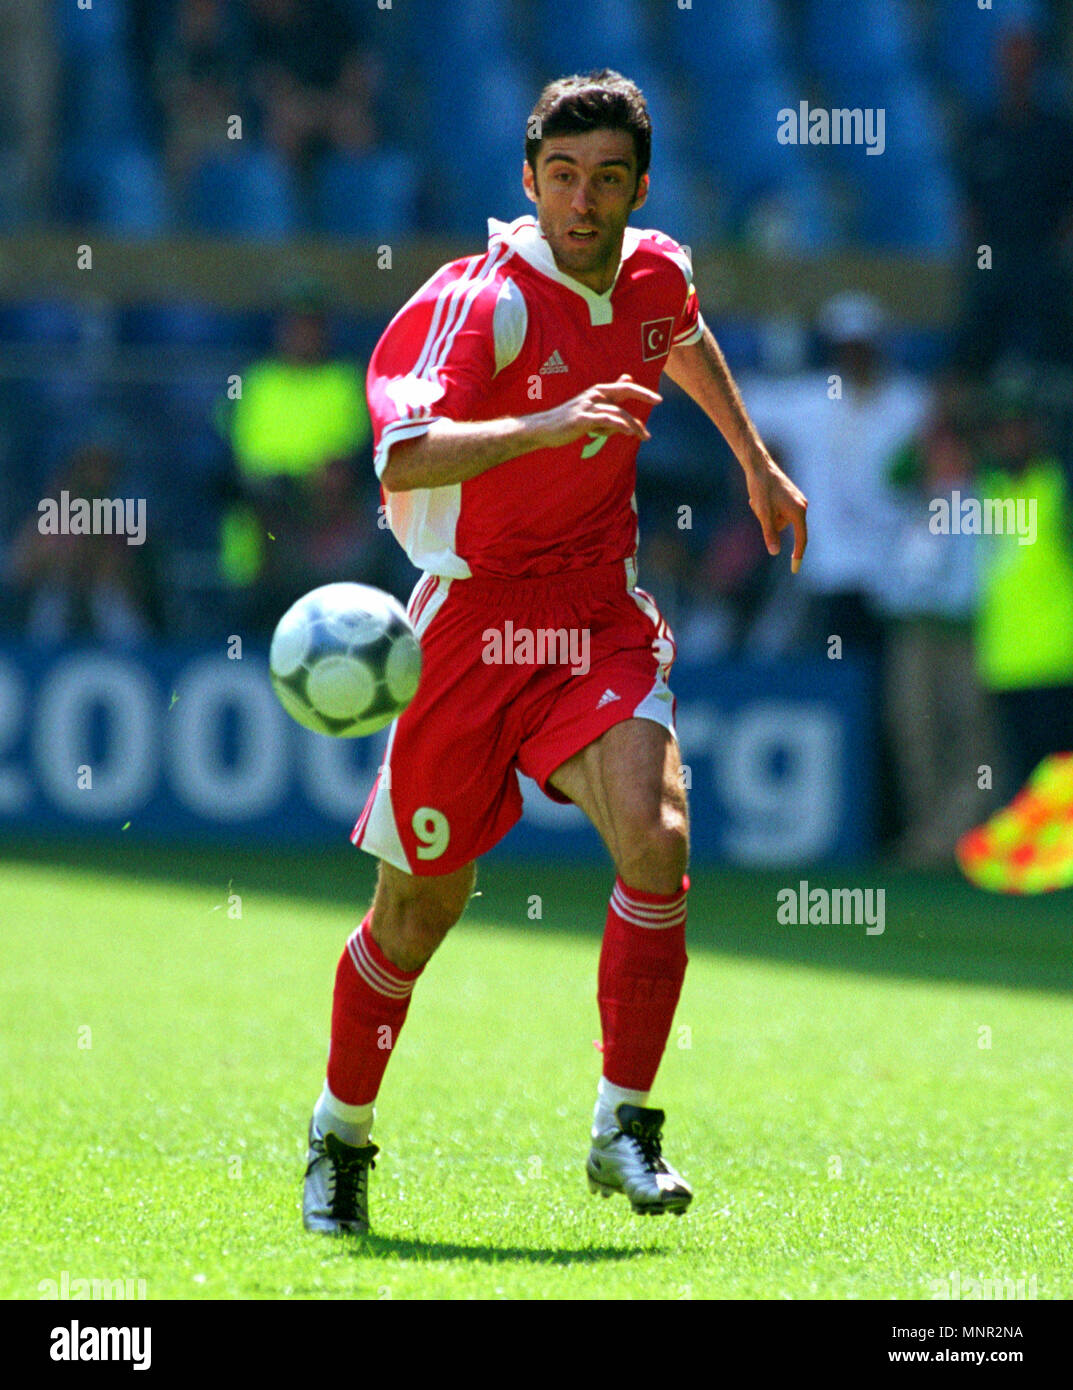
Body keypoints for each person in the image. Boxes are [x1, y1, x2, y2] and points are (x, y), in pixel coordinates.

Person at [302, 71, 807, 1234]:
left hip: (593, 611)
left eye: (608, 179)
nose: (584, 200)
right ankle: (338, 1134)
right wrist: (549, 423)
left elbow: (675, 330)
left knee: (658, 833)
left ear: (638, 187)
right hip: (473, 624)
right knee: (415, 916)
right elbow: (405, 459)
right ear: (527, 183)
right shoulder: (478, 303)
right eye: (563, 177)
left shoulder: (654, 270)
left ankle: (622, 1125)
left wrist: (751, 456)